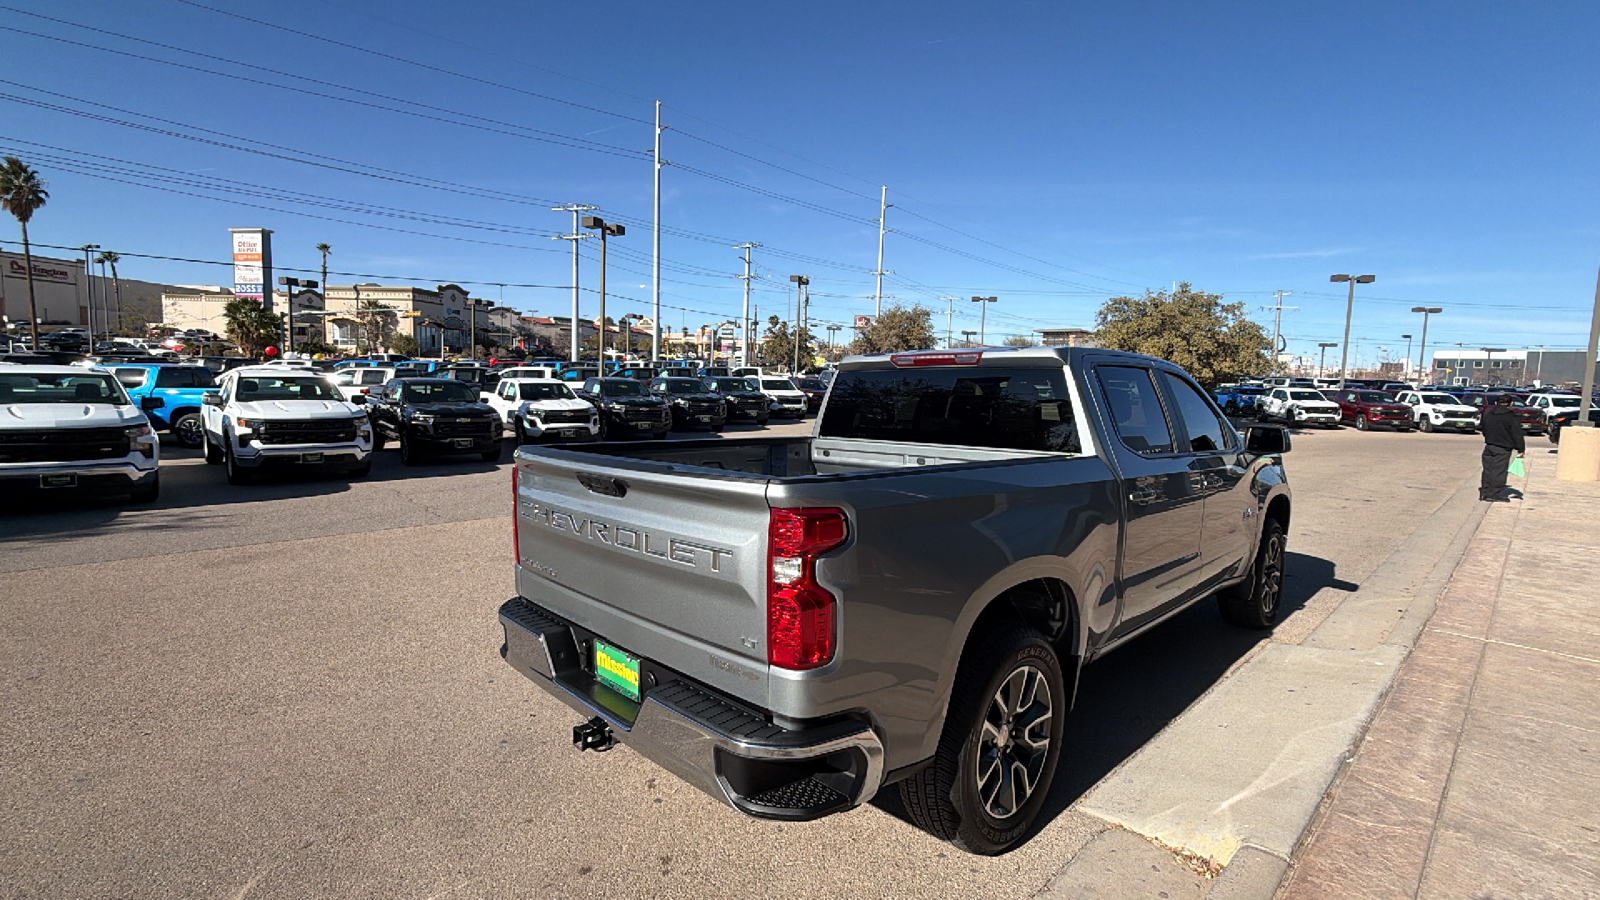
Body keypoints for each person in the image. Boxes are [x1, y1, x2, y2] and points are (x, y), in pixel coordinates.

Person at [1478, 393, 1525, 502]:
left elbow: (1483, 428)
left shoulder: (1488, 414)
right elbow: (1517, 434)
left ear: (1496, 403)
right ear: (1511, 403)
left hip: (1489, 446)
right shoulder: (1511, 417)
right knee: (1499, 471)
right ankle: (1494, 494)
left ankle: (1484, 492)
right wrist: (1521, 449)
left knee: (1488, 470)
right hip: (1503, 448)